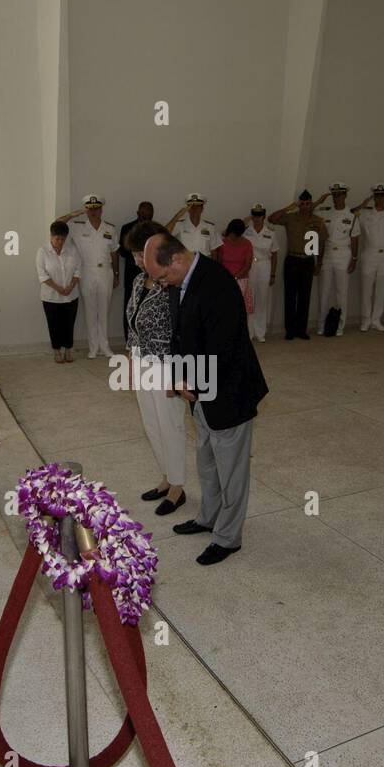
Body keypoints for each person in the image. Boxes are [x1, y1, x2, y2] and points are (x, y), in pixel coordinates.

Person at [140, 231, 268, 566]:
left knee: (231, 469)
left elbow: (222, 347)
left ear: (178, 259)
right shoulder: (180, 281)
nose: (163, 284)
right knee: (207, 462)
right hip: (201, 390)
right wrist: (180, 376)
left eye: (163, 276)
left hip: (229, 391)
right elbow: (180, 333)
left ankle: (228, 537)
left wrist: (190, 381)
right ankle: (208, 517)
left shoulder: (217, 284)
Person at [123, 221, 187, 516]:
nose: (137, 260)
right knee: (151, 422)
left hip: (165, 363)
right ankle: (166, 477)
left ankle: (178, 487)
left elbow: (182, 329)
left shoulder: (171, 282)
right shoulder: (139, 281)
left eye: (140, 253)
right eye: (135, 254)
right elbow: (132, 321)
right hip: (140, 359)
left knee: (170, 424)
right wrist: (131, 358)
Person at [58, 195, 117, 359]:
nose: (93, 212)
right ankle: (93, 348)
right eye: (89, 209)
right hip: (86, 272)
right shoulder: (77, 227)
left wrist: (117, 274)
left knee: (104, 311)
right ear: (86, 210)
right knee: (90, 311)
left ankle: (105, 347)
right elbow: (58, 222)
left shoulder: (110, 228)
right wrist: (77, 213)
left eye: (96, 208)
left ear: (101, 209)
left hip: (106, 272)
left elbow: (114, 252)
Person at [269, 190, 328, 340]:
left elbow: (321, 244)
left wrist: (319, 263)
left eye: (308, 203)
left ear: (311, 204)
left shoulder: (318, 221)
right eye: (303, 204)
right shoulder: (290, 218)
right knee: (290, 297)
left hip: (308, 261)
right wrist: (289, 207)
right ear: (299, 204)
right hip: (292, 260)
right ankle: (290, 330)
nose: (306, 206)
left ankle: (301, 329)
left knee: (305, 297)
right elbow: (272, 218)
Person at [350, 184, 384, 332]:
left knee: (380, 290)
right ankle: (365, 321)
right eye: (376, 195)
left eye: (382, 195)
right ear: (373, 197)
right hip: (369, 254)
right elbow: (350, 213)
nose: (379, 198)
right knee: (367, 289)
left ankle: (376, 320)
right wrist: (363, 204)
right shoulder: (364, 213)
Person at [36, 220, 82, 362]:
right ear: (51, 236)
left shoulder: (73, 250)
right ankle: (57, 351)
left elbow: (78, 269)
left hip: (71, 295)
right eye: (57, 239)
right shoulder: (42, 251)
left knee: (69, 324)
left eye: (63, 239)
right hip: (50, 297)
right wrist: (59, 289)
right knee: (54, 324)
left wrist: (70, 287)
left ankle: (68, 350)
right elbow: (42, 275)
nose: (60, 242)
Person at [314, 182, 356, 335]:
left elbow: (355, 238)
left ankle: (340, 326)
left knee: (341, 292)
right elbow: (307, 211)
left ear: (345, 195)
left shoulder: (351, 215)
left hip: (344, 254)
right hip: (327, 254)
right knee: (323, 291)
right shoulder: (324, 212)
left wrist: (354, 259)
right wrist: (319, 201)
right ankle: (321, 325)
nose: (336, 197)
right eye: (334, 195)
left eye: (339, 194)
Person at [118, 201, 154, 339]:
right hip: (132, 274)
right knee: (130, 306)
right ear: (138, 213)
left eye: (149, 213)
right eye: (144, 213)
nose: (146, 216)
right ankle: (129, 339)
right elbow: (122, 251)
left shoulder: (156, 229)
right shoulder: (127, 228)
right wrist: (139, 254)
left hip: (153, 274)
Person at [243, 203, 278, 342]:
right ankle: (249, 332)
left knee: (262, 299)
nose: (257, 218)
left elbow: (275, 254)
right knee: (249, 299)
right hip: (250, 265)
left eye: (260, 215)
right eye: (255, 215)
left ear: (264, 216)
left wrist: (273, 273)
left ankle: (260, 332)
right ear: (252, 216)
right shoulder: (246, 231)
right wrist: (243, 221)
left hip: (264, 265)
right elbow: (226, 233)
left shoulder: (270, 232)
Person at [214, 218, 255, 315]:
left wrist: (235, 277)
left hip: (241, 280)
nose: (230, 236)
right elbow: (218, 263)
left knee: (237, 309)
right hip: (224, 279)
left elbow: (247, 265)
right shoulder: (222, 243)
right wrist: (226, 278)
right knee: (224, 308)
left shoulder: (247, 244)